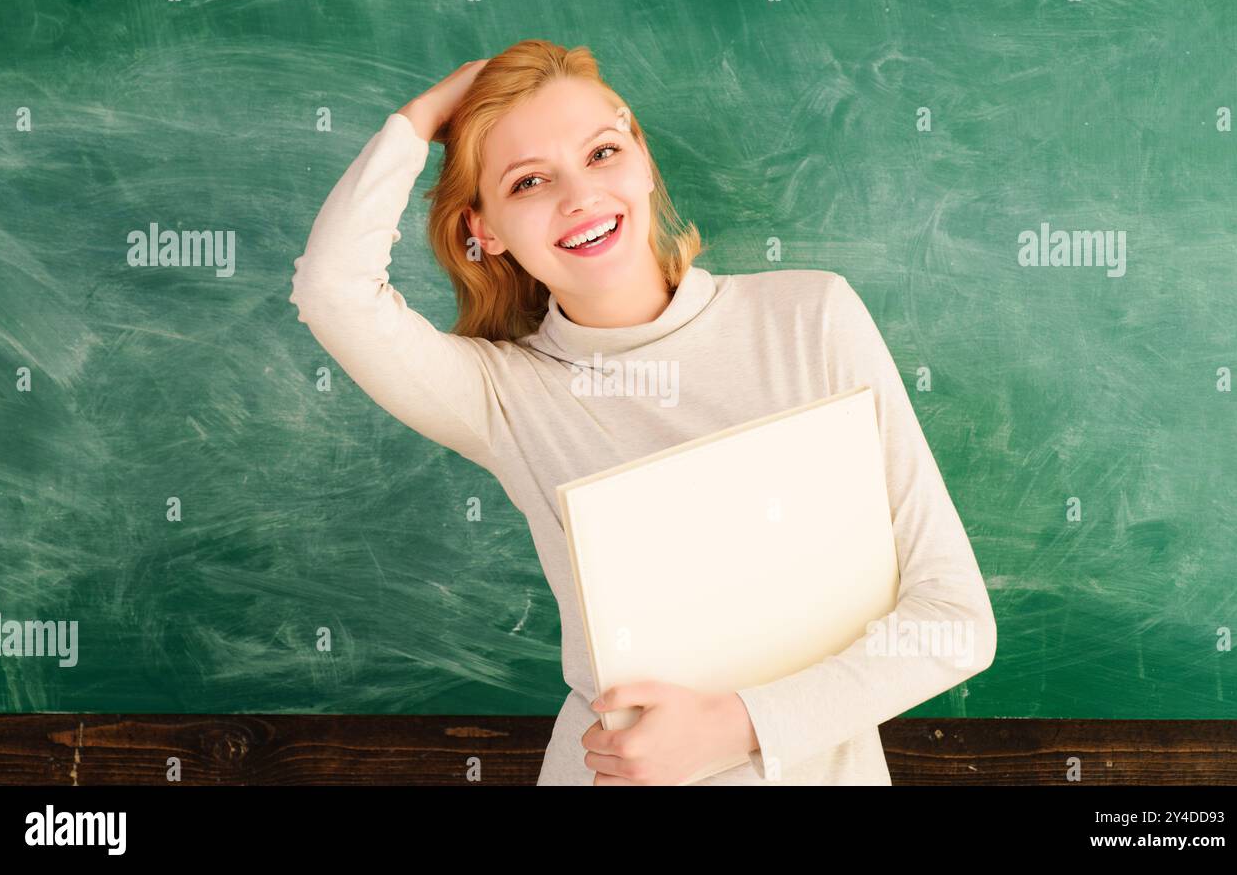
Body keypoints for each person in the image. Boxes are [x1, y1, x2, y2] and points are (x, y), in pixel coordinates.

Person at [289, 40, 997, 785]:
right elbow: (333, 290)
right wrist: (422, 115)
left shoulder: (810, 317)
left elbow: (954, 622)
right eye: (529, 180)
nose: (579, 197)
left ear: (643, 159)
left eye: (601, 152)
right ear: (484, 230)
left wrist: (736, 726)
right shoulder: (505, 395)